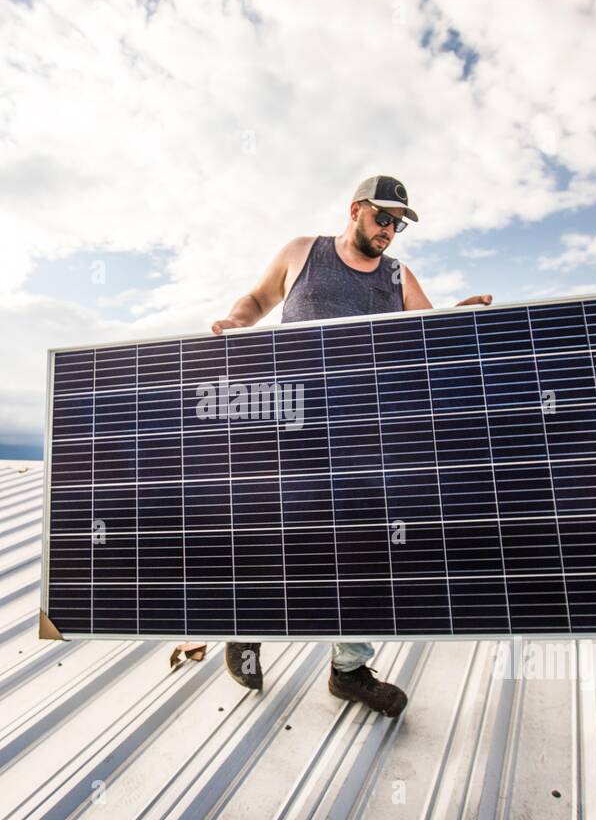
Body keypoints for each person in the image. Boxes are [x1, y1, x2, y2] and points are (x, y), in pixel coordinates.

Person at [210, 175, 493, 717]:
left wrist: (460, 318)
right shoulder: (303, 253)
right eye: (383, 218)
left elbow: (429, 331)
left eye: (398, 224)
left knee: (363, 549)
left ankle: (349, 670)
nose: (390, 231)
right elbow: (257, 298)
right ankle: (246, 632)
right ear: (356, 210)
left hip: (365, 432)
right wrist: (237, 323)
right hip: (290, 423)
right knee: (273, 531)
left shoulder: (396, 275)